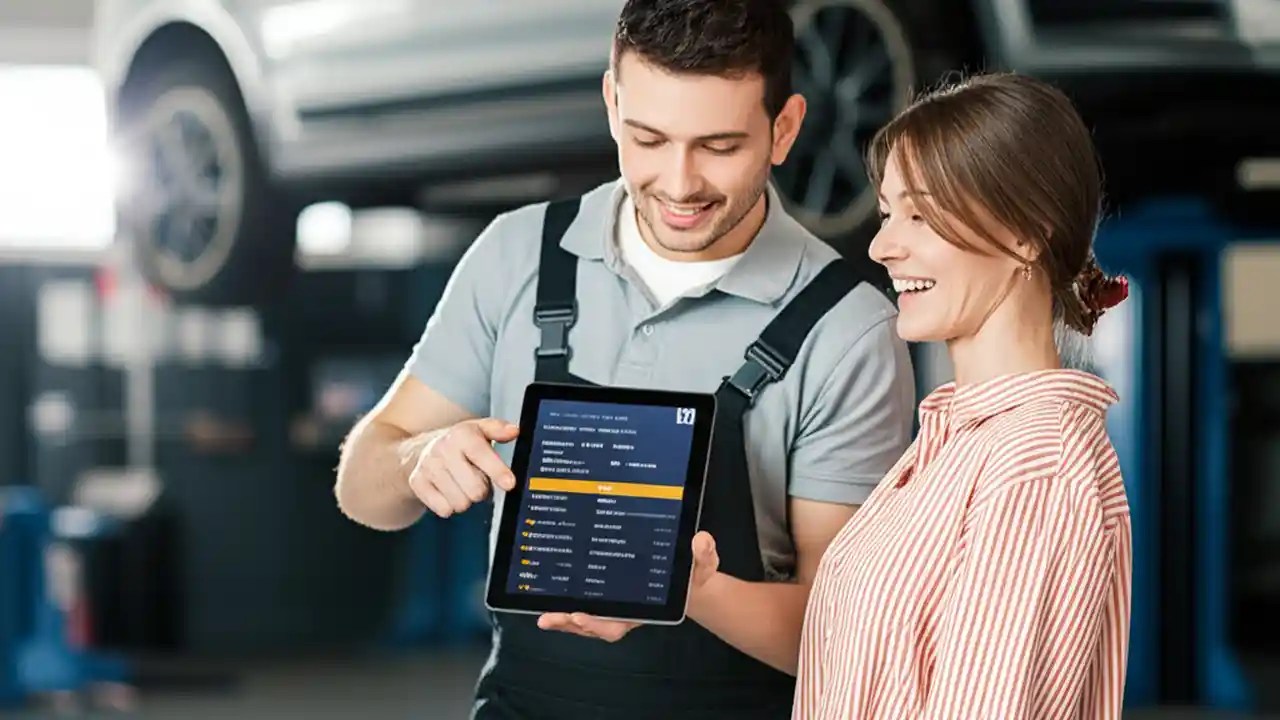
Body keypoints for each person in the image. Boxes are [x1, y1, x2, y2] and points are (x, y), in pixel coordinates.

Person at [333, 1, 916, 718]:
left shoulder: (847, 327)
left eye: (720, 146)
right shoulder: (518, 256)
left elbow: (847, 638)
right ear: (612, 104)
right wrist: (416, 459)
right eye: (648, 138)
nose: (679, 183)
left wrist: (692, 591)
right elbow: (362, 489)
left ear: (784, 129)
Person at [790, 71, 1133, 720]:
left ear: (1024, 232)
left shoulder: (1036, 464)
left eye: (920, 214)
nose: (883, 245)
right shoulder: (954, 445)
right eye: (891, 213)